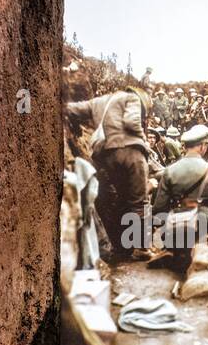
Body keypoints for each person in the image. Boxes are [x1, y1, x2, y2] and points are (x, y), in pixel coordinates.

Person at [65, 86, 154, 261]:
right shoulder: (132, 98)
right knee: (139, 202)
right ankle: (142, 248)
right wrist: (143, 140)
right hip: (132, 153)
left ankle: (121, 249)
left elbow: (71, 109)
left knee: (121, 201)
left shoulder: (98, 102)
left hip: (107, 157)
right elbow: (132, 122)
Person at [151, 123, 208, 264]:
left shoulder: (169, 170)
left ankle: (173, 251)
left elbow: (159, 208)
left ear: (186, 147)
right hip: (204, 228)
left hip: (175, 229)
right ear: (202, 146)